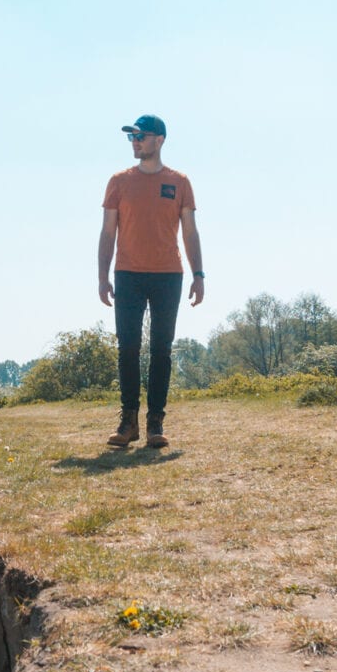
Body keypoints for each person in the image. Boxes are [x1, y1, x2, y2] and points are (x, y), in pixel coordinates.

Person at [98, 114, 203, 448]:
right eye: (131, 137)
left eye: (140, 136)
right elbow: (107, 232)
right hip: (127, 274)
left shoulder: (180, 182)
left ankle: (155, 424)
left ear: (159, 140)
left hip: (168, 275)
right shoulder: (118, 181)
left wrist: (199, 274)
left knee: (161, 349)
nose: (135, 142)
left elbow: (190, 232)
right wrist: (102, 275)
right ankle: (128, 422)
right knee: (127, 348)